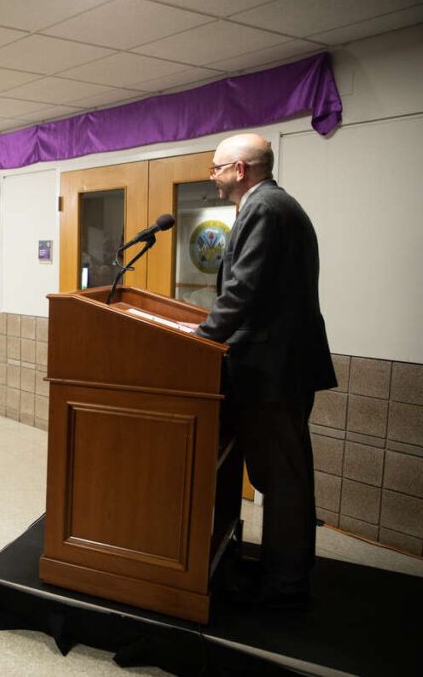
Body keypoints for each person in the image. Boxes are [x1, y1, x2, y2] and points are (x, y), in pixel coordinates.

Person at [194, 133, 336, 608]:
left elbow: (243, 291)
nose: (211, 176)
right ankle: (282, 573)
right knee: (281, 475)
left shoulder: (265, 208)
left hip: (274, 368)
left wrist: (198, 340)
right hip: (276, 364)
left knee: (283, 478)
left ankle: (287, 584)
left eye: (216, 168)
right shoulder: (273, 206)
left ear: (240, 170)